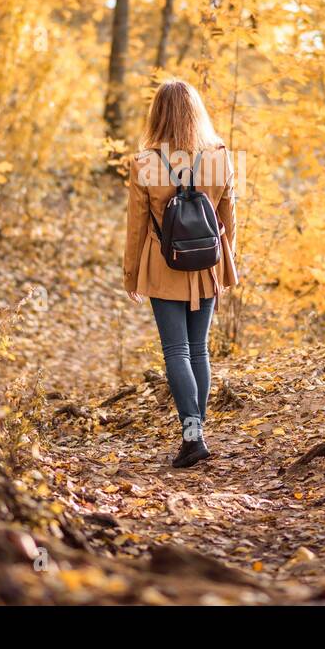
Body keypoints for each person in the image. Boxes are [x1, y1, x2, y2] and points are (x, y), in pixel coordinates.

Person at [123, 80, 238, 468]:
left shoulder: (145, 163)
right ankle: (195, 435)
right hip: (207, 264)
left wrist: (131, 275)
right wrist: (227, 262)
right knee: (199, 349)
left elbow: (137, 227)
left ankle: (194, 436)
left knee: (176, 351)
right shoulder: (220, 157)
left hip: (163, 265)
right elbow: (228, 218)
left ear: (158, 114)